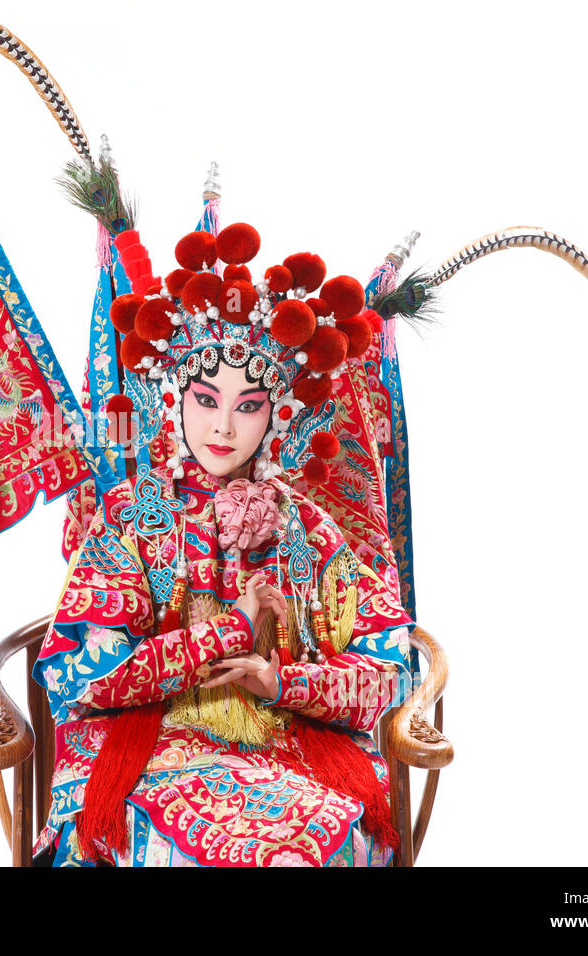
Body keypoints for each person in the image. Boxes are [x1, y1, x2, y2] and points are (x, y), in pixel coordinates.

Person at [31, 223, 415, 866]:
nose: (222, 426)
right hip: (150, 750)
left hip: (292, 752)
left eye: (248, 406)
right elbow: (78, 673)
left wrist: (283, 682)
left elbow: (390, 666)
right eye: (206, 400)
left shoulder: (307, 527)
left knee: (312, 846)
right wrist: (223, 632)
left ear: (277, 416)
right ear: (175, 399)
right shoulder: (136, 518)